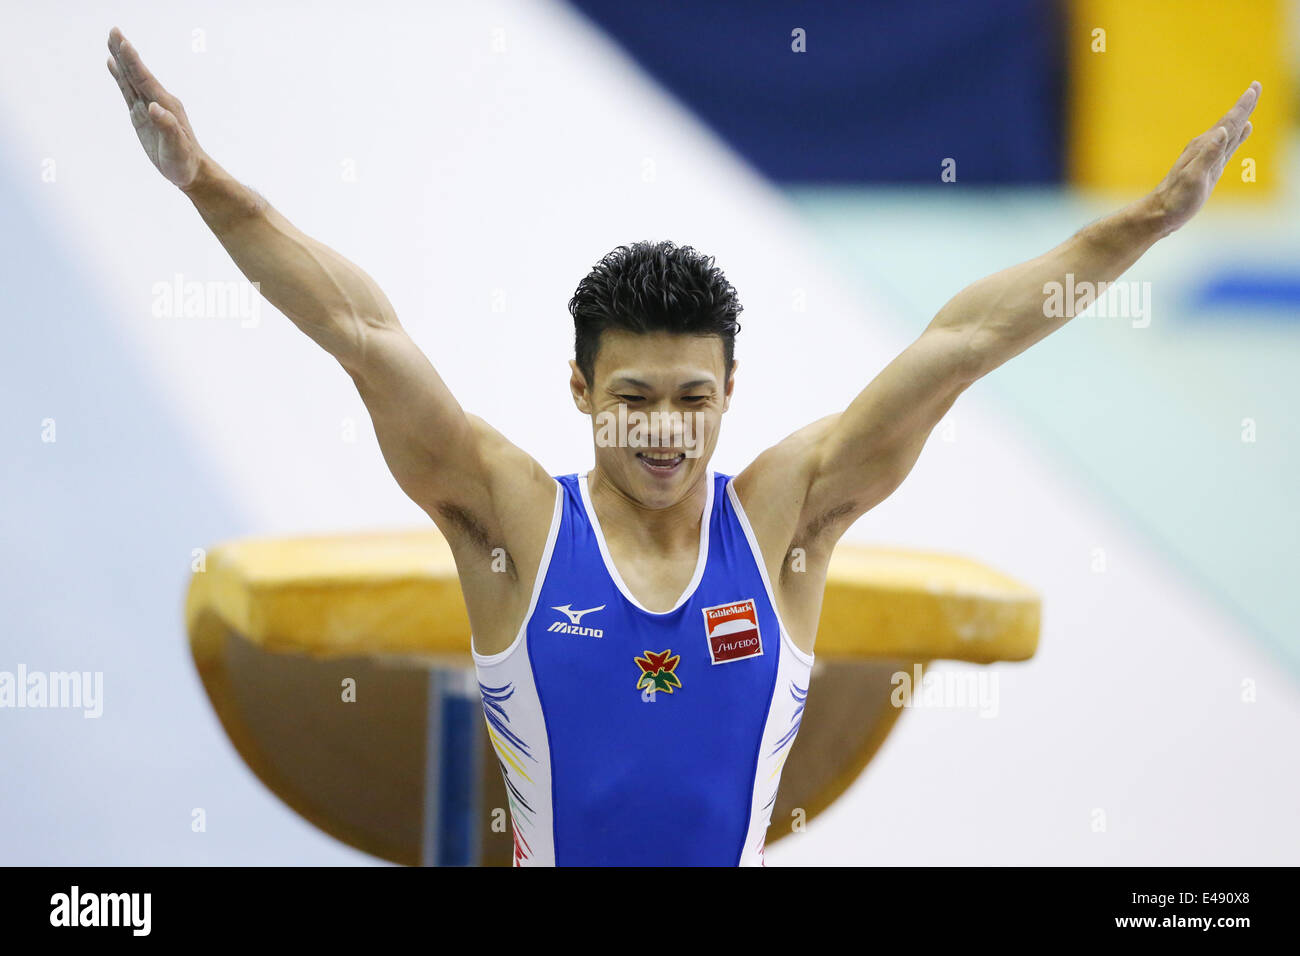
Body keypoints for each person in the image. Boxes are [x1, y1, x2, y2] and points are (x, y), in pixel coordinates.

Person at [106, 26, 1259, 866]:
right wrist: (206, 183)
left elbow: (958, 342)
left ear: (729, 392)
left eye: (692, 398)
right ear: (579, 388)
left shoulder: (784, 519)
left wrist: (1141, 223)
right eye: (634, 397)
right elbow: (361, 332)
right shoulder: (512, 521)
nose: (664, 429)